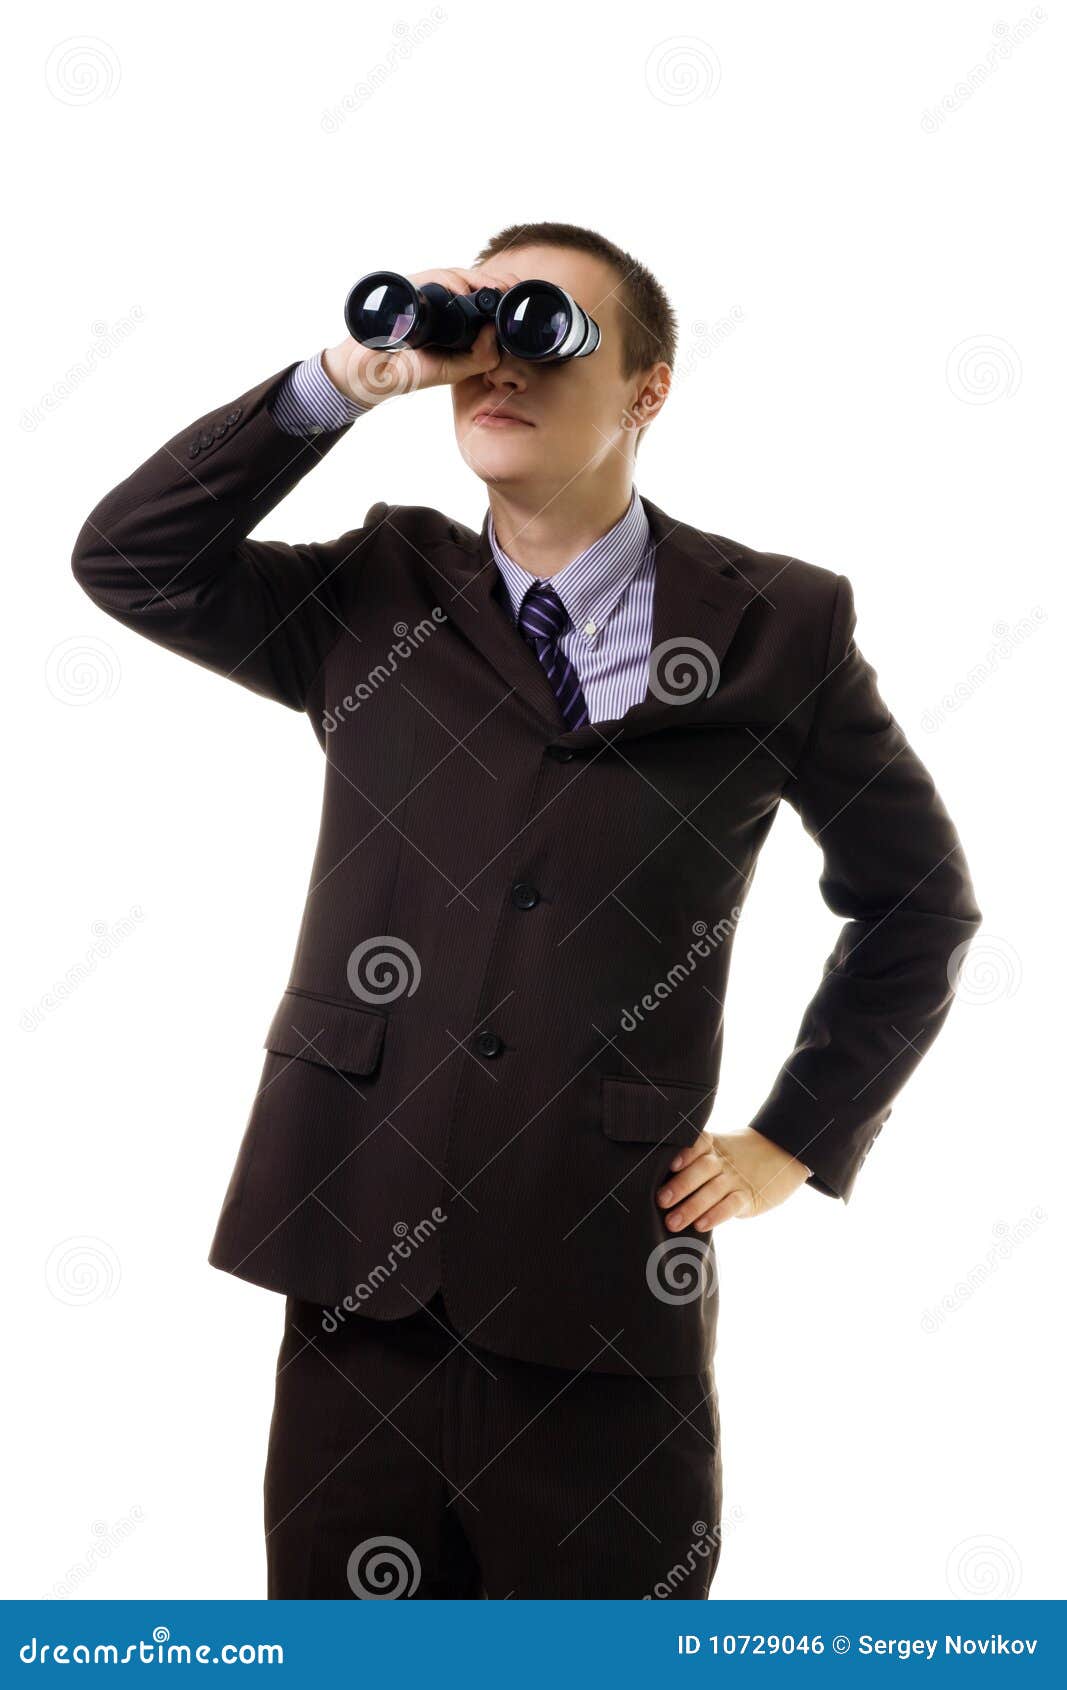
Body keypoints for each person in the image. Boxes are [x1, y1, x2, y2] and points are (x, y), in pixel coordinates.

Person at [70, 220, 982, 1599]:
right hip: (358, 1284)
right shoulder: (378, 596)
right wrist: (341, 378)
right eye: (470, 332)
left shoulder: (778, 626)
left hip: (606, 1287)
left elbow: (920, 900)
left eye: (544, 329)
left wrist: (801, 1134)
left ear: (647, 389)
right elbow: (132, 559)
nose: (493, 365)